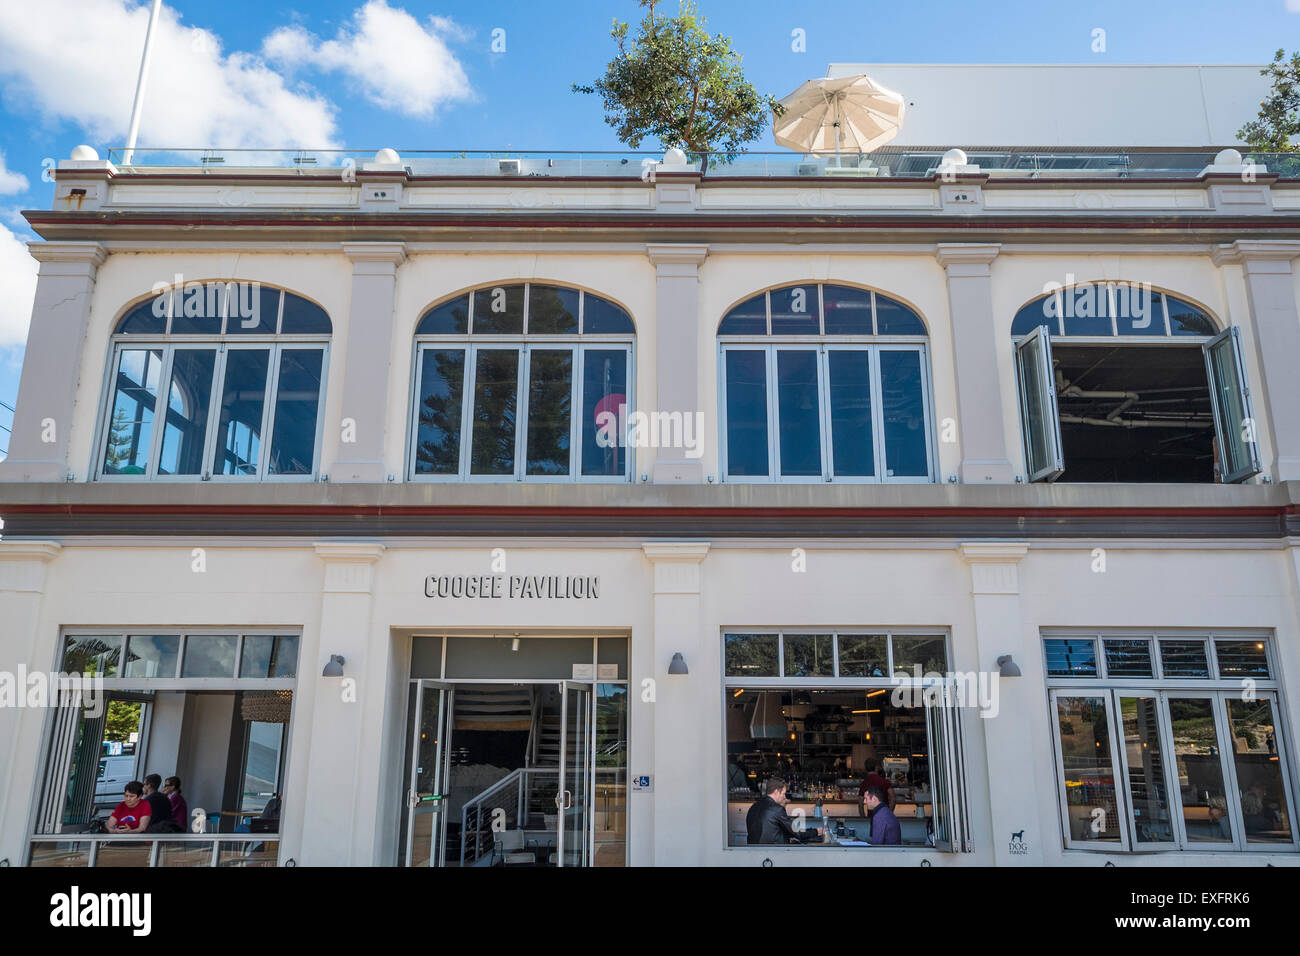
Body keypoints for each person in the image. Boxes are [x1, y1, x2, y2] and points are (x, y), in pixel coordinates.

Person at [746, 777, 820, 845]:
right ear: (776, 792)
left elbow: (769, 830)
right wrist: (816, 831)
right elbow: (797, 833)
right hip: (774, 853)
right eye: (783, 793)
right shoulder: (776, 809)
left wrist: (787, 838)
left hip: (753, 852)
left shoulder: (753, 807)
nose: (784, 797)